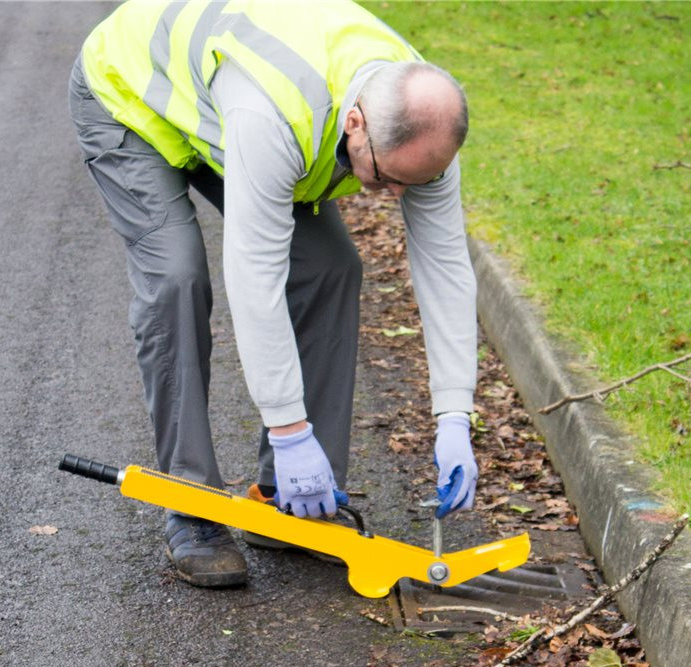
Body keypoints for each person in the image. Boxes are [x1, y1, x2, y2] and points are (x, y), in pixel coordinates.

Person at [68, 0, 479, 588]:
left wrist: (454, 416)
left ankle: (284, 499)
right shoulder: (276, 112)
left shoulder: (422, 121)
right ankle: (192, 505)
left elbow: (444, 266)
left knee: (331, 268)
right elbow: (255, 276)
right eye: (384, 177)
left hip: (221, 110)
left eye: (410, 183)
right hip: (131, 103)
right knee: (177, 278)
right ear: (355, 123)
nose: (392, 195)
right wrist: (290, 431)